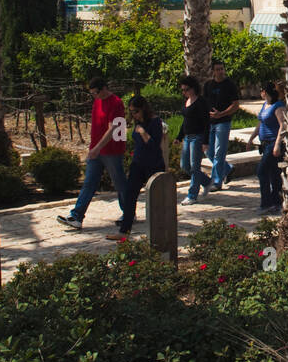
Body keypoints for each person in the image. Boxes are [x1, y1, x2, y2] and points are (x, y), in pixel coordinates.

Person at [57, 77, 128, 230]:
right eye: (92, 94)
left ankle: (128, 212)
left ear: (104, 88)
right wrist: (93, 148)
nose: (95, 96)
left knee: (119, 182)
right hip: (96, 150)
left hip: (111, 150)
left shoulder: (116, 103)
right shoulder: (97, 102)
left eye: (96, 92)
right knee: (89, 183)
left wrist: (97, 148)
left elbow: (113, 128)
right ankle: (76, 216)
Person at [106, 95, 165, 239]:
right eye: (131, 112)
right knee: (130, 195)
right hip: (138, 164)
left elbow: (154, 146)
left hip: (153, 165)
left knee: (156, 198)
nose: (134, 115)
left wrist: (143, 133)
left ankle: (160, 229)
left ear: (144, 109)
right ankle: (124, 231)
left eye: (136, 111)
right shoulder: (136, 123)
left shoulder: (155, 122)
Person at [202, 59, 240, 192]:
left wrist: (222, 114)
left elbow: (235, 105)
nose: (220, 71)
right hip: (210, 123)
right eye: (217, 69)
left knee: (219, 153)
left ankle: (217, 181)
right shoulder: (208, 85)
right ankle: (227, 169)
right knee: (208, 152)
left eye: (222, 69)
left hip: (223, 123)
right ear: (213, 71)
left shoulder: (230, 85)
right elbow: (204, 103)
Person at [174, 74, 211, 206]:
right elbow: (185, 121)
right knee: (185, 165)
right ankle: (206, 181)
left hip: (197, 137)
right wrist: (179, 136)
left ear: (194, 88)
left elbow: (207, 123)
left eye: (187, 89)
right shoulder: (186, 102)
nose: (185, 92)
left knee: (195, 166)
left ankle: (192, 195)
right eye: (183, 90)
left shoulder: (201, 102)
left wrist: (205, 141)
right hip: (188, 137)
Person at [249, 82, 285, 214]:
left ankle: (267, 203)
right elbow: (260, 123)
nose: (260, 93)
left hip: (272, 143)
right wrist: (252, 138)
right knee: (273, 173)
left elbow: (283, 125)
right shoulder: (265, 105)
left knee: (261, 171)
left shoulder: (278, 106)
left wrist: (277, 144)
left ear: (265, 91)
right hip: (264, 143)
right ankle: (276, 201)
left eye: (261, 90)